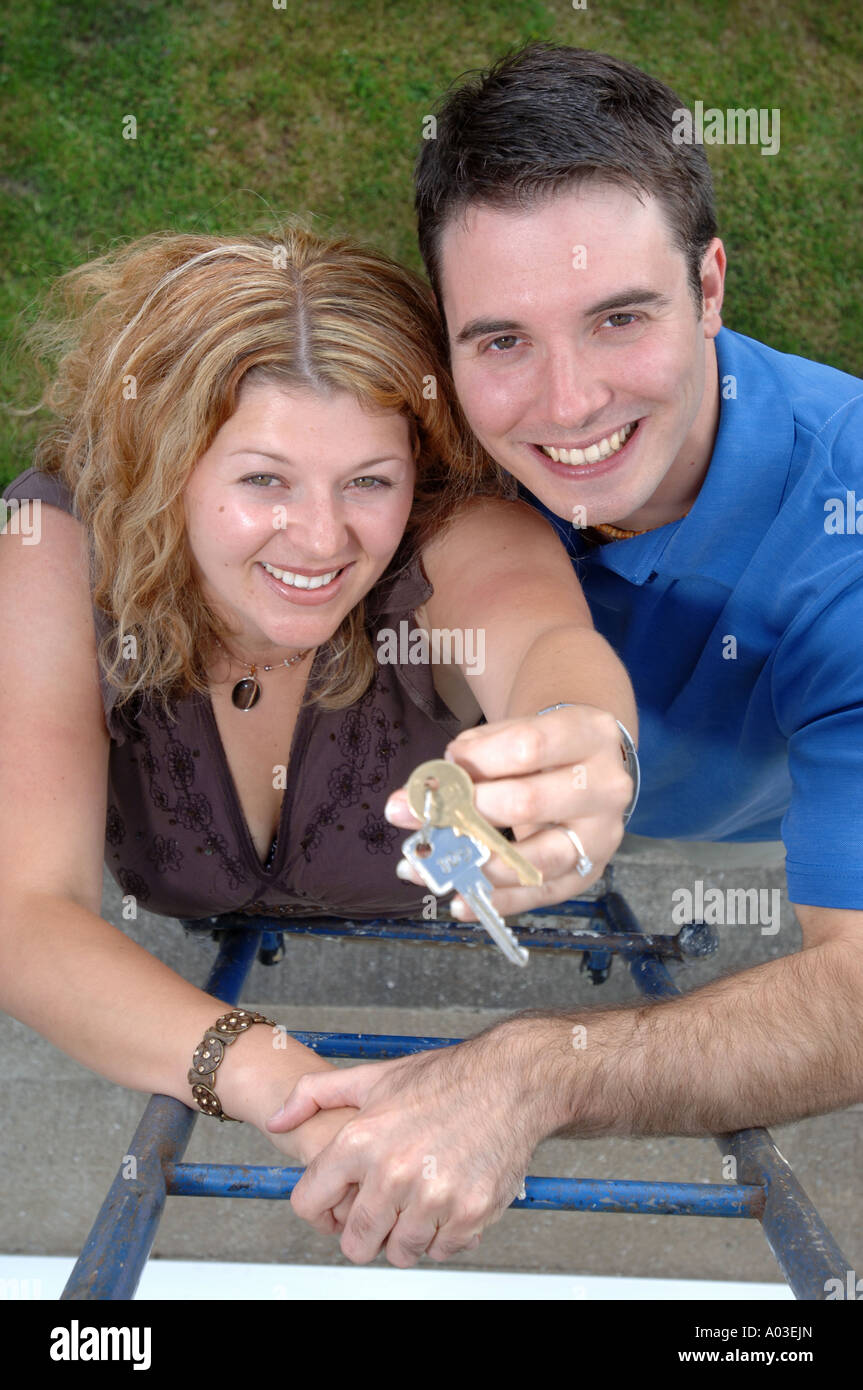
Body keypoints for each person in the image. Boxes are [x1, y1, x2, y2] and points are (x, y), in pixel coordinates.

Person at [271, 44, 863, 1269]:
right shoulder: (408, 416)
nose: (566, 404)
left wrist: (539, 1069)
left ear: (709, 286)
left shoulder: (845, 527)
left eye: (617, 319)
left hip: (732, 812)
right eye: (500, 341)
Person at [0, 225, 637, 1197]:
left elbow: (547, 647)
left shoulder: (457, 532)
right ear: (165, 462)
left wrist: (587, 746)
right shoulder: (54, 545)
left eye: (367, 482)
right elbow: (24, 913)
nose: (320, 535)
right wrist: (281, 1083)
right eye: (263, 479)